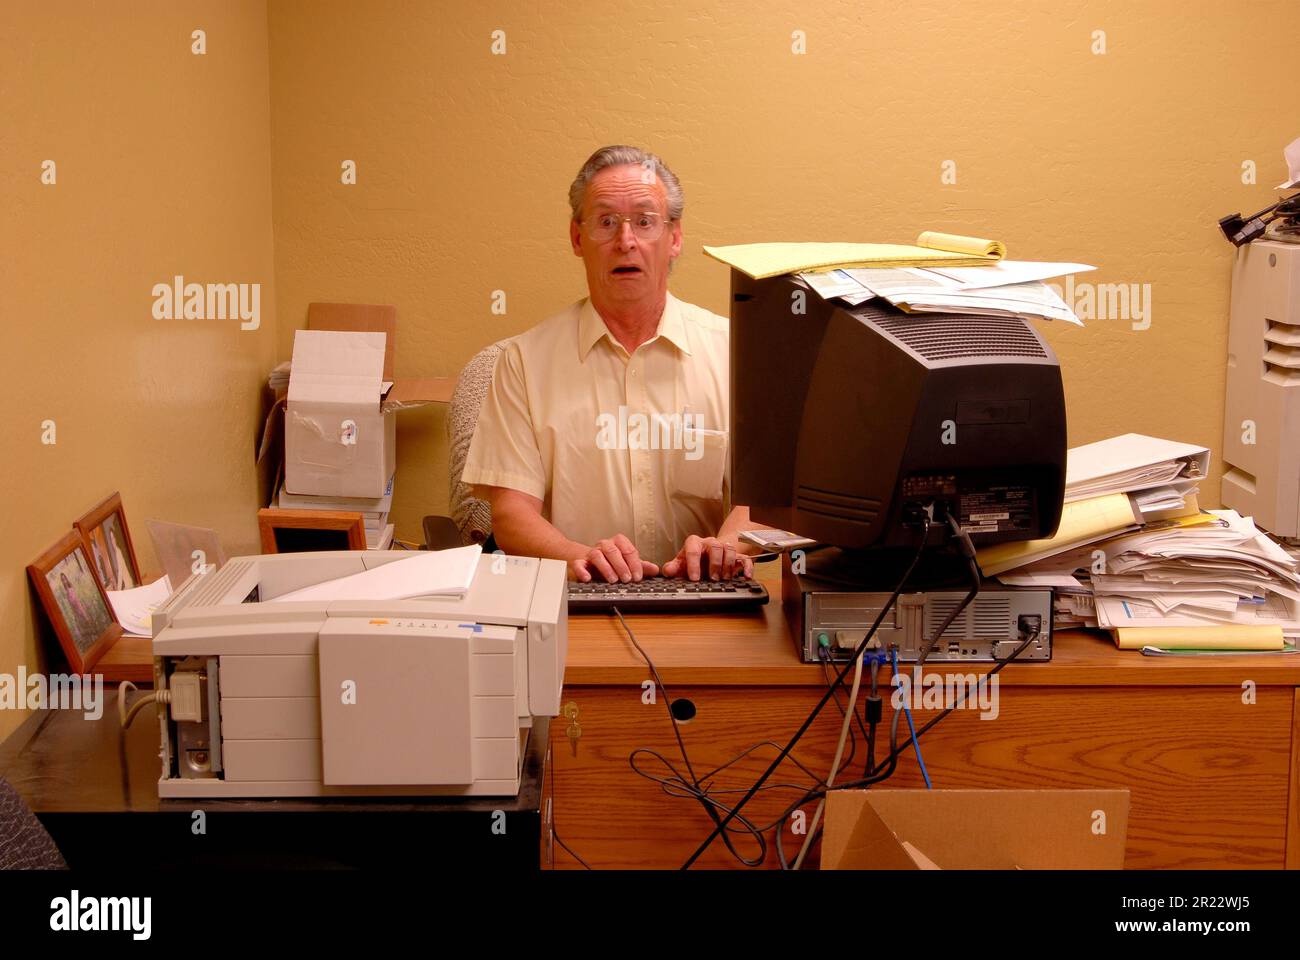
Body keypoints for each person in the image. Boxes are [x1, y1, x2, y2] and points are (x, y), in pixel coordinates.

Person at [462, 145, 754, 583]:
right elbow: (511, 515)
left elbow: (766, 504)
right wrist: (579, 558)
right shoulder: (524, 361)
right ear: (578, 239)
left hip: (705, 597)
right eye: (605, 222)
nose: (626, 241)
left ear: (674, 238)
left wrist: (724, 549)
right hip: (579, 601)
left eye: (644, 221)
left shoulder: (734, 352)